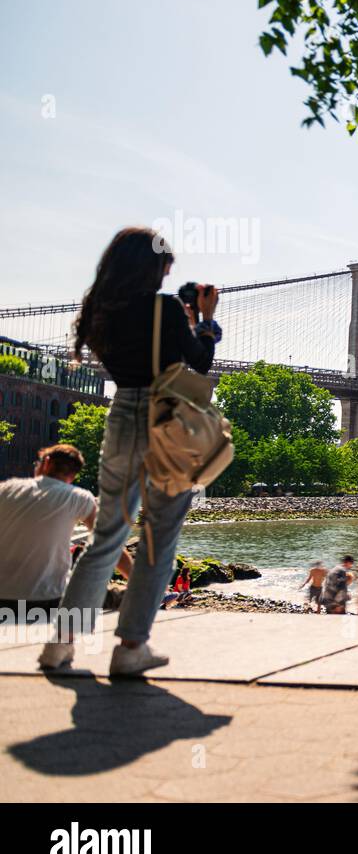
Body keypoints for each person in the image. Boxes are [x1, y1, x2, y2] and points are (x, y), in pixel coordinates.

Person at [39, 227, 221, 676]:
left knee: (107, 537)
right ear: (151, 266)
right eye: (164, 267)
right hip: (169, 423)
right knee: (159, 540)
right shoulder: (163, 308)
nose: (165, 275)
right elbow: (199, 360)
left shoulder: (98, 311)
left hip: (122, 415)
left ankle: (59, 645)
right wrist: (204, 319)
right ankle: (131, 647)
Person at [0, 445, 98, 623]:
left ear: (46, 463)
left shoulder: (6, 489)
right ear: (73, 474)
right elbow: (107, 543)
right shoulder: (80, 497)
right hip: (48, 601)